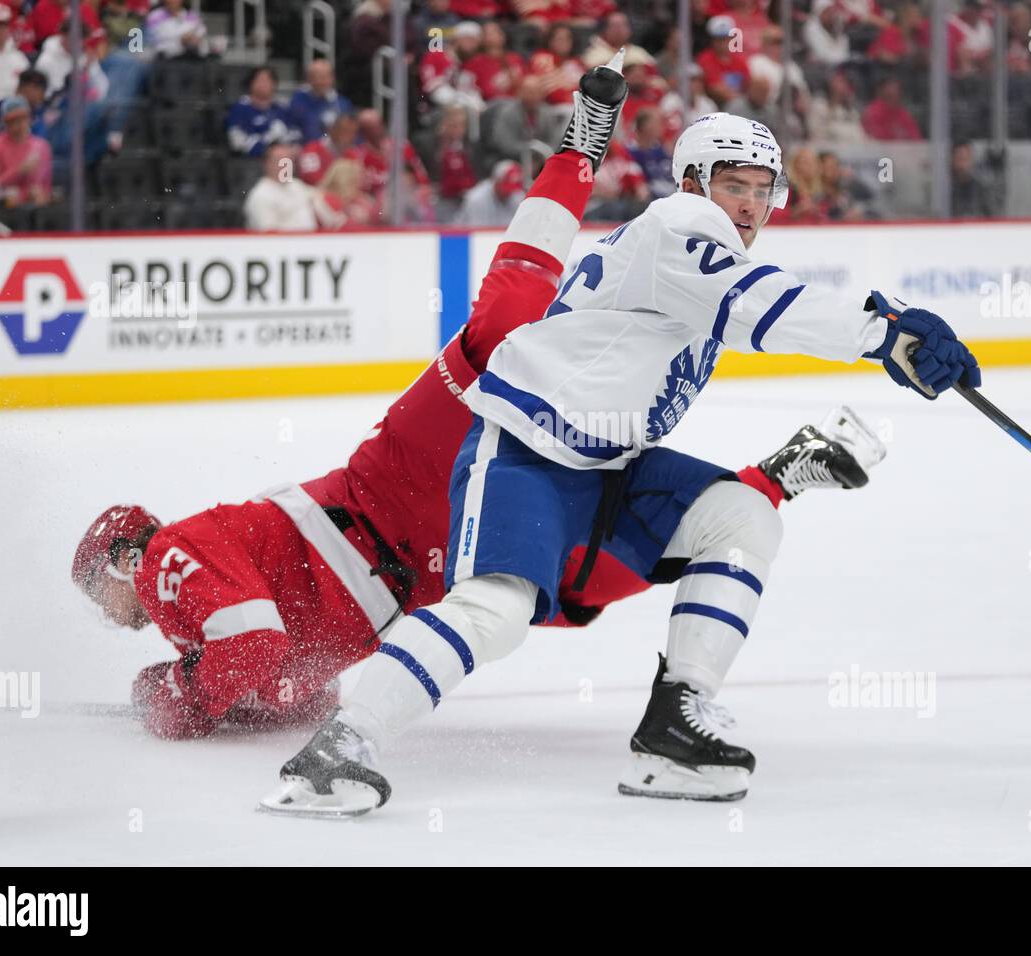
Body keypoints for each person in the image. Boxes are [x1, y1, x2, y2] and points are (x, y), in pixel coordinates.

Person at [266, 60, 979, 815]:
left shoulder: (696, 254)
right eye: (734, 184)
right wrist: (882, 332)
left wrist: (888, 323)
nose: (749, 204)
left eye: (763, 189)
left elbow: (740, 294)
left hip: (609, 468)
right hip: (528, 453)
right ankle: (341, 746)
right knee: (495, 610)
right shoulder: (680, 227)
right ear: (696, 182)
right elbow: (757, 304)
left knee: (742, 517)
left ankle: (675, 724)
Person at [76, 90, 884, 744]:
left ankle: (578, 145)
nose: (112, 618)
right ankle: (774, 479)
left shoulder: (167, 558)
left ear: (119, 558)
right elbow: (284, 683)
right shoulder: (192, 614)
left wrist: (166, 695)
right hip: (424, 561)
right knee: (572, 579)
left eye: (97, 591)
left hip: (387, 493)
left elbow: (251, 656)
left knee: (500, 327)